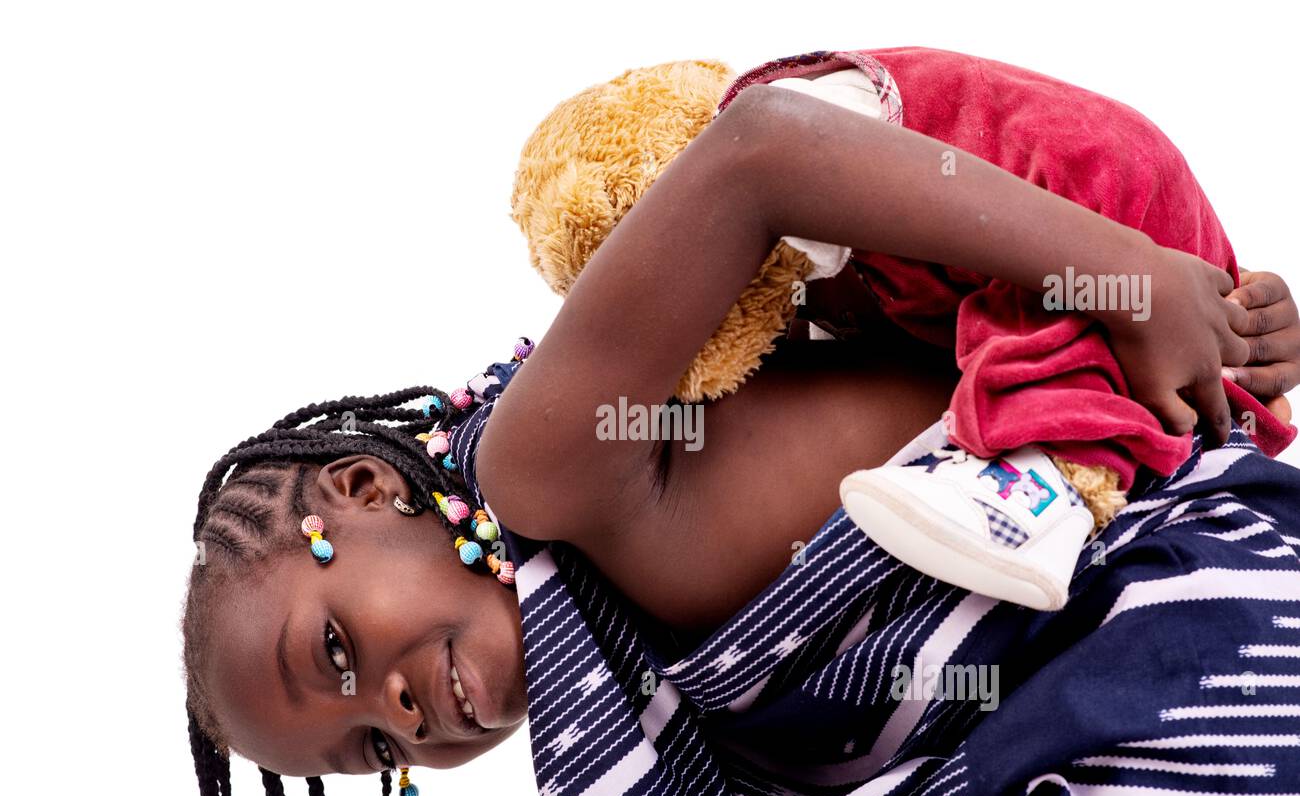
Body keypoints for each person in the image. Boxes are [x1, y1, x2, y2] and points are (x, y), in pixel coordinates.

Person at [181, 78, 1300, 796]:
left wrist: (1122, 273)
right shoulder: (654, 693)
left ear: (367, 492)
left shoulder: (545, 463)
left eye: (334, 649)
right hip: (1129, 638)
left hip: (1172, 645)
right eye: (373, 749)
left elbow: (765, 151)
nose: (402, 718)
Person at [509, 47, 1299, 610]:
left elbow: (768, 147)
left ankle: (1038, 493)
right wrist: (1227, 323)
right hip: (1098, 252)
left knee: (1032, 354)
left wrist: (1138, 279)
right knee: (1030, 339)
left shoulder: (798, 142)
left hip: (1095, 186)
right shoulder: (805, 302)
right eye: (381, 751)